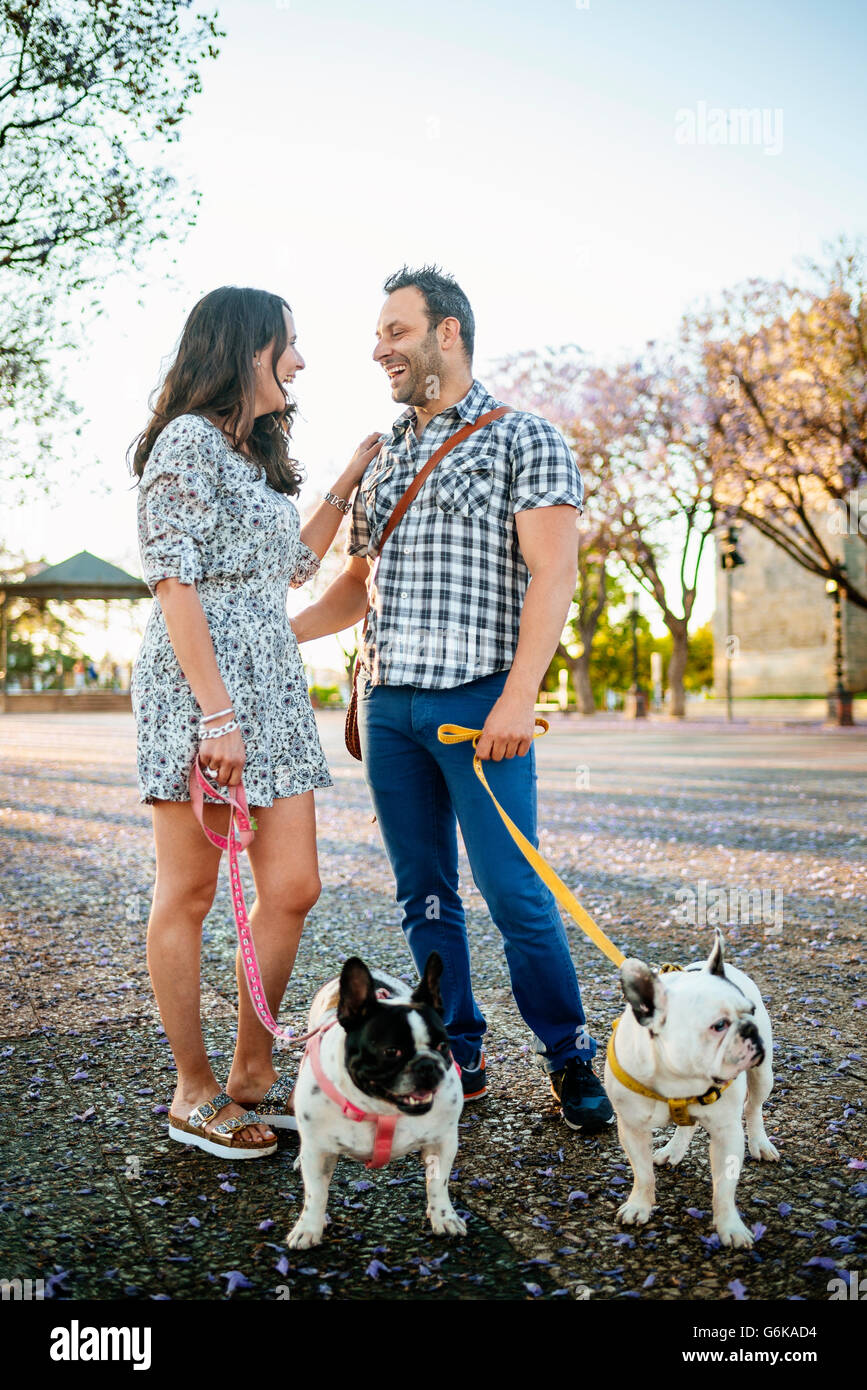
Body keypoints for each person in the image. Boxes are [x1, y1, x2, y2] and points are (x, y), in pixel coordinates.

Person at [292, 266, 614, 1131]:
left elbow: (555, 573)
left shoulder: (526, 438)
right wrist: (278, 635)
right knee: (423, 896)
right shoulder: (386, 452)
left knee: (515, 894)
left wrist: (519, 697)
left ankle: (566, 1051)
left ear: (448, 333)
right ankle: (457, 1047)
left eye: (395, 331)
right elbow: (357, 583)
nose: (377, 349)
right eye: (377, 333)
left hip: (479, 707)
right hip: (389, 708)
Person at [129, 286, 380, 1157]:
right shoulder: (186, 442)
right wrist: (214, 716)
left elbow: (291, 568)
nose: (302, 363)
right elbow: (174, 584)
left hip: (270, 686)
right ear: (245, 350)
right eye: (290, 345)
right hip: (202, 690)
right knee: (190, 893)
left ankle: (249, 1074)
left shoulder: (253, 456)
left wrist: (344, 483)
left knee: (294, 887)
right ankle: (191, 1093)